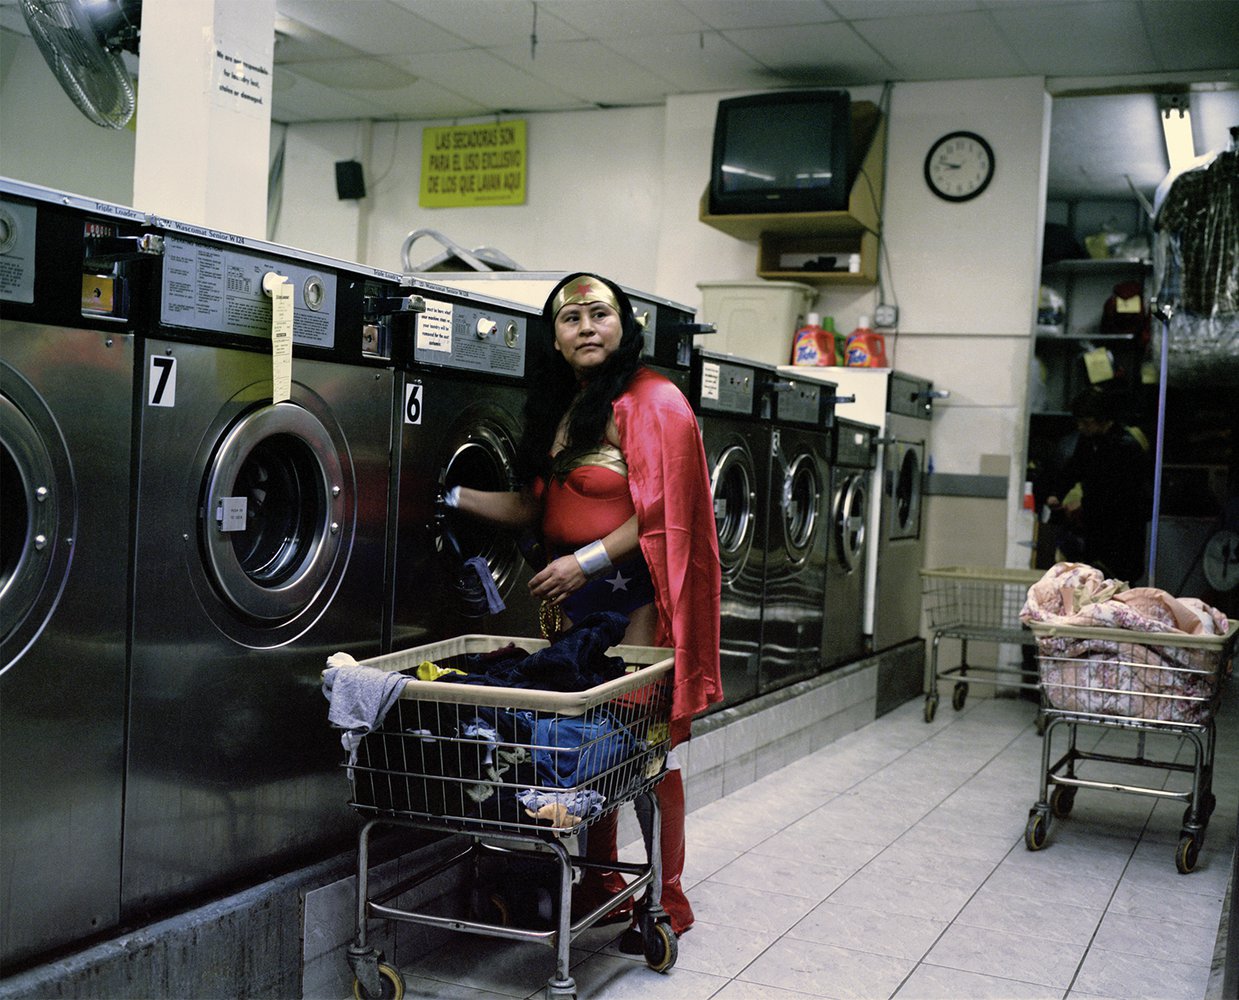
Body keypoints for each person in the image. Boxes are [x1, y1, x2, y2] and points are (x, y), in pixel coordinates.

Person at [443, 272, 722, 942]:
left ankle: (667, 900)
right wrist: (448, 498)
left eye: (600, 314)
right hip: (573, 605)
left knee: (643, 751)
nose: (587, 327)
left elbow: (668, 513)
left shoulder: (654, 401)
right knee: (586, 742)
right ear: (556, 338)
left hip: (638, 599)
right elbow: (538, 507)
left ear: (623, 325)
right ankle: (598, 880)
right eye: (571, 318)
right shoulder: (563, 406)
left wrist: (584, 562)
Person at [1044, 387, 1151, 583]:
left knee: (1115, 579)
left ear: (1104, 419)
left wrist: (1083, 505)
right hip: (1096, 525)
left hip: (1122, 529)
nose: (1081, 427)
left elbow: (1117, 494)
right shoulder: (1090, 441)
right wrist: (1057, 493)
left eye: (1086, 422)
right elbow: (1075, 468)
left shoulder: (1125, 447)